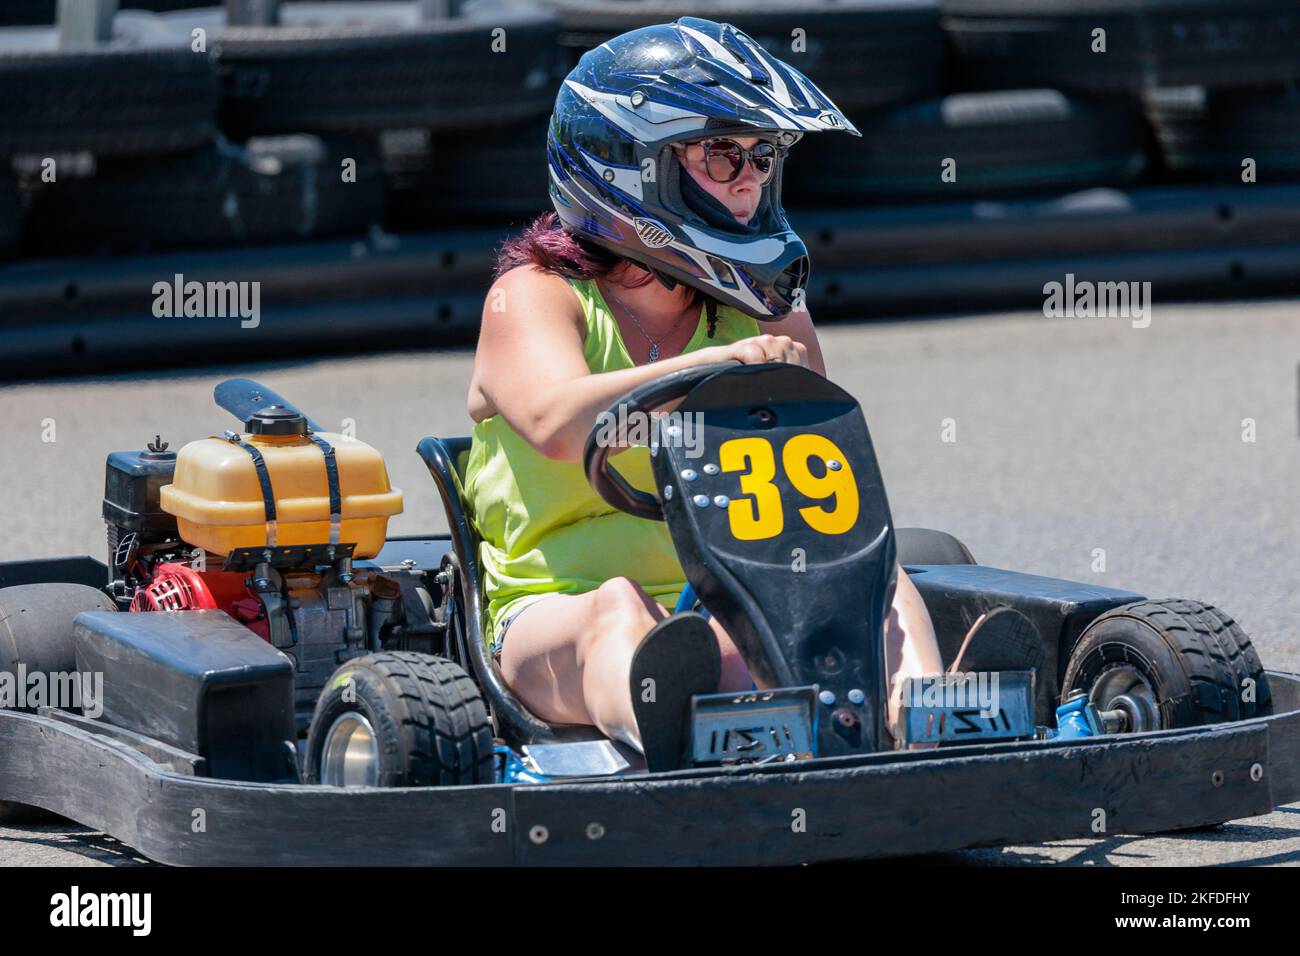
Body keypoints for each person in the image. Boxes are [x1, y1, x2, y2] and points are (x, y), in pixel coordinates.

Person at [463, 17, 944, 766]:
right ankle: (693, 747)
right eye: (721, 153)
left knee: (879, 581)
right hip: (554, 615)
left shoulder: (762, 309)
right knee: (620, 610)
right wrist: (714, 373)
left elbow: (816, 480)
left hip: (736, 597)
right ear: (631, 164)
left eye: (761, 153)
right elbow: (556, 422)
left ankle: (929, 733)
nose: (749, 175)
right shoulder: (534, 296)